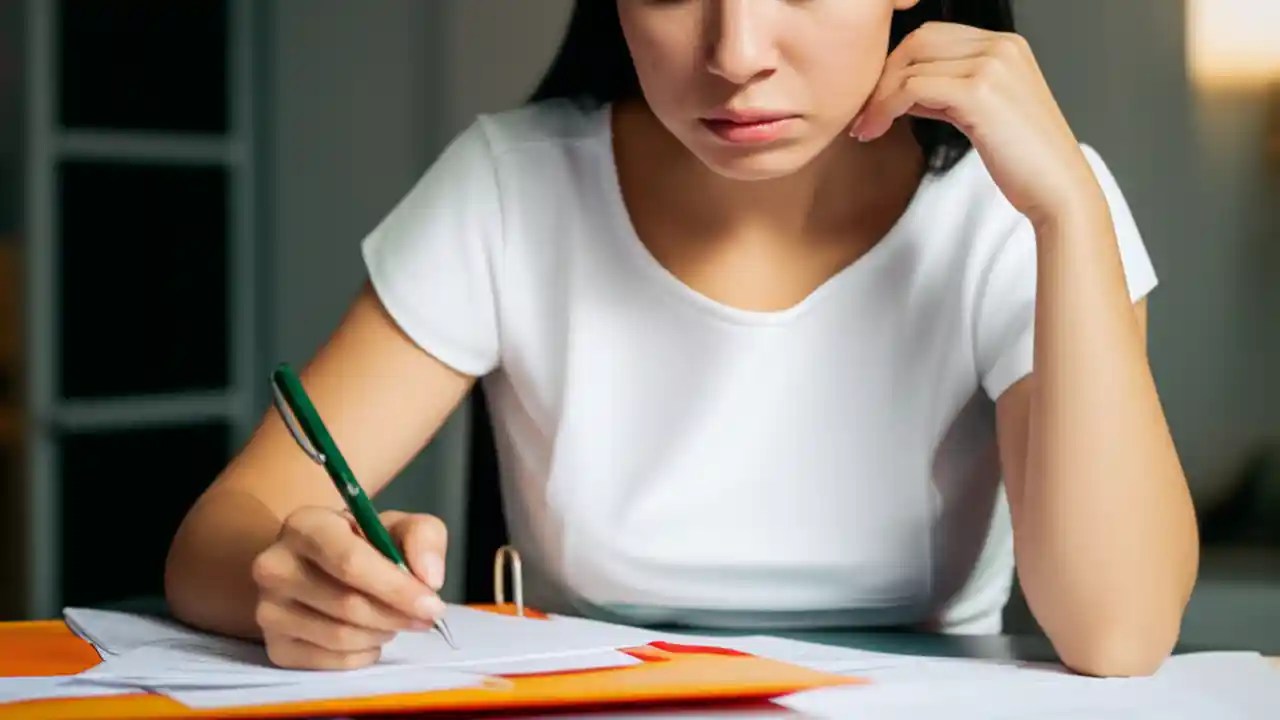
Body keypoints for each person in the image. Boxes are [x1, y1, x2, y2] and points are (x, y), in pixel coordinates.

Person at [165, 0, 1199, 677]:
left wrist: (1066, 210)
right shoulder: (510, 188)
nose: (734, 54)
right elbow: (216, 540)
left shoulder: (1016, 209)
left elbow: (1119, 632)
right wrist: (297, 577)